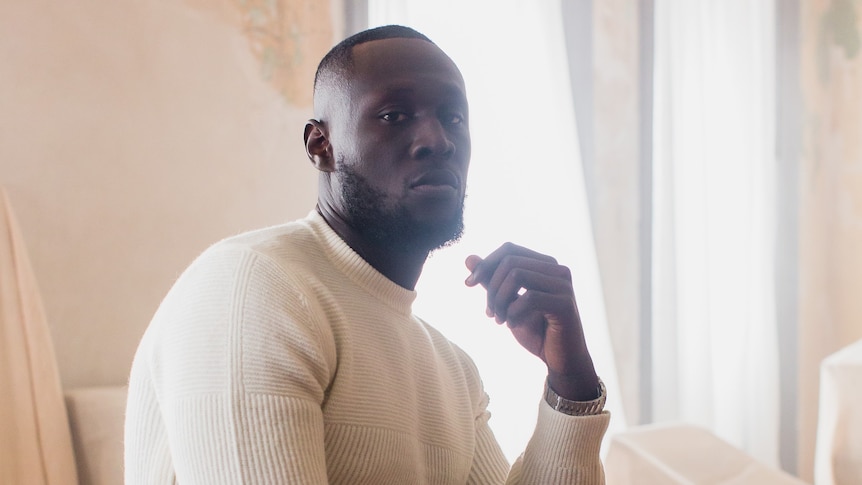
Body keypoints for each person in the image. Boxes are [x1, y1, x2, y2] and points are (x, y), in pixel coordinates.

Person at [124, 25, 609, 484]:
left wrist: (572, 384)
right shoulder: (252, 286)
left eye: (453, 117)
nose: (437, 141)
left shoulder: (452, 369)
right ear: (321, 145)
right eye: (394, 116)